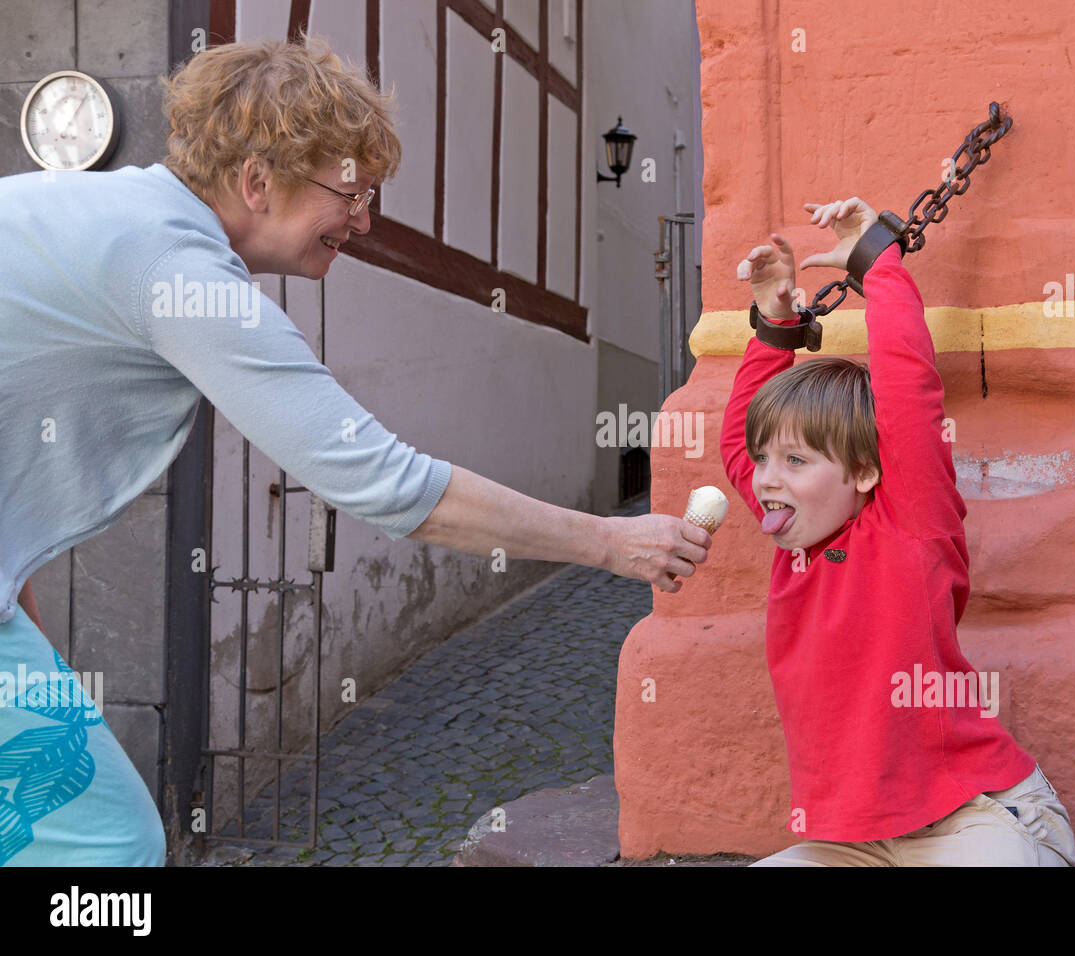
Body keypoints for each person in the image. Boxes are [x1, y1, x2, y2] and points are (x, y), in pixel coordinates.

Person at [0, 37, 709, 866]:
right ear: (257, 181)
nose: (365, 220)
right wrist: (614, 541)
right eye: (350, 190)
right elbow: (387, 483)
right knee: (105, 847)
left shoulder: (95, 214)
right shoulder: (173, 265)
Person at [722, 197, 1075, 866]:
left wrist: (875, 263)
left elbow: (908, 389)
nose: (765, 478)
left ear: (862, 471)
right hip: (863, 845)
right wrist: (774, 326)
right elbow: (739, 445)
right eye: (766, 460)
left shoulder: (910, 524)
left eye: (795, 461)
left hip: (981, 821)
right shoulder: (794, 530)